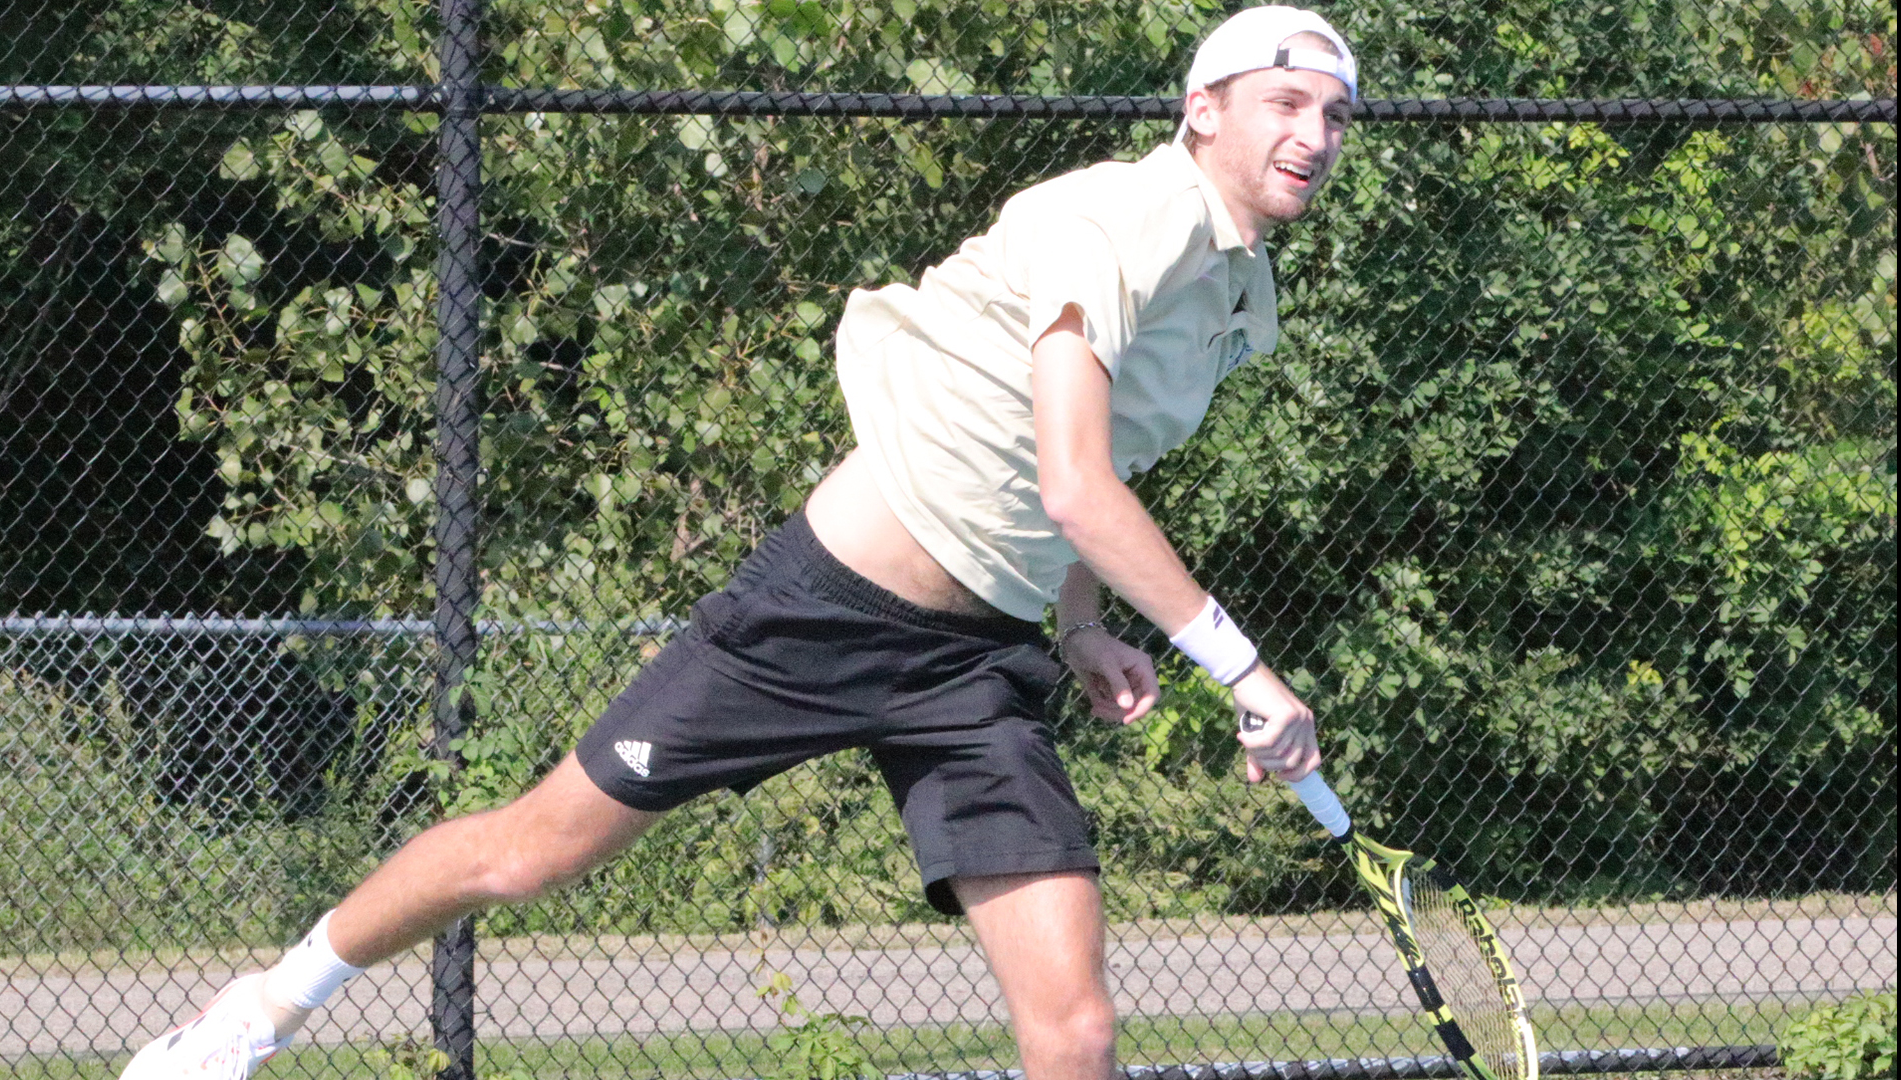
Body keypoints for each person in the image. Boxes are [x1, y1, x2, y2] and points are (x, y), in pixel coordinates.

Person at [121, 7, 1358, 1077]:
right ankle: (257, 1014)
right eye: (1286, 101)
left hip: (977, 660)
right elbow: (1079, 483)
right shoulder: (1126, 215)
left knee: (1076, 1032)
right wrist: (1243, 671)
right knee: (527, 854)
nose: (1313, 134)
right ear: (1203, 109)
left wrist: (1082, 620)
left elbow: (1101, 468)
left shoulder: (1235, 290)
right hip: (821, 612)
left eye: (1338, 115)